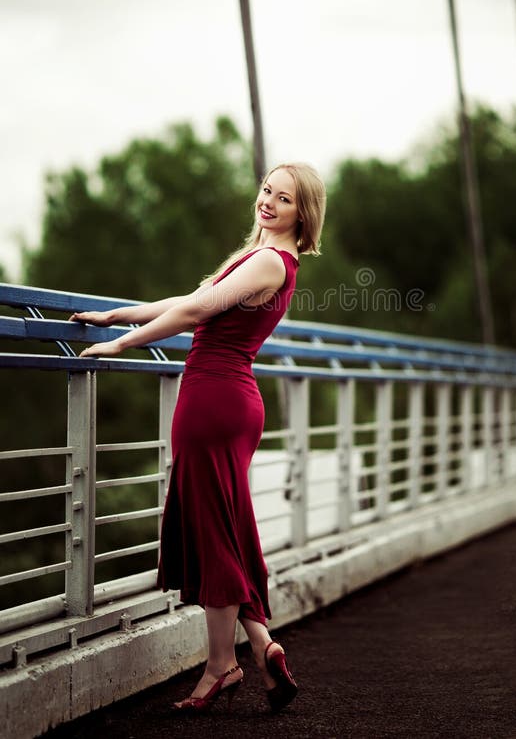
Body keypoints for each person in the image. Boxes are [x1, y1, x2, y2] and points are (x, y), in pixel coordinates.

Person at [71, 162, 326, 715]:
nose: (268, 202)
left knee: (212, 534)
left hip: (214, 400)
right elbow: (187, 302)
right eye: (265, 190)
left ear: (300, 214)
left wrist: (121, 345)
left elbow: (193, 312)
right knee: (227, 527)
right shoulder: (266, 259)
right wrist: (116, 315)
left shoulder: (266, 261)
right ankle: (262, 646)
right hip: (228, 400)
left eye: (283, 199)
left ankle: (219, 667)